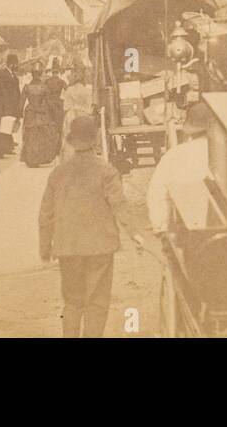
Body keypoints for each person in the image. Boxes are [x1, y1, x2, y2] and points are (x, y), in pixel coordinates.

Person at [39, 116, 142, 337]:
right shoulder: (106, 171)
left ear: (71, 141)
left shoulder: (58, 173)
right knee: (96, 302)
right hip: (100, 247)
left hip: (68, 247)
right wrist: (135, 233)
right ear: (95, 139)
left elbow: (45, 214)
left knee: (73, 302)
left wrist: (45, 247)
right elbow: (119, 205)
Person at [145, 103, 211, 235]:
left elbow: (157, 193)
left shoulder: (174, 155)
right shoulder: (225, 156)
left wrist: (160, 226)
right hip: (222, 228)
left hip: (187, 228)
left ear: (189, 131)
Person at [20, 66, 61, 167]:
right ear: (40, 74)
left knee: (30, 134)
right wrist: (54, 113)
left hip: (30, 112)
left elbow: (21, 102)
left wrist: (19, 114)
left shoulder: (26, 87)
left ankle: (30, 158)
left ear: (32, 74)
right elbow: (49, 102)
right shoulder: (44, 87)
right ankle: (38, 157)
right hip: (41, 112)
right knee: (40, 135)